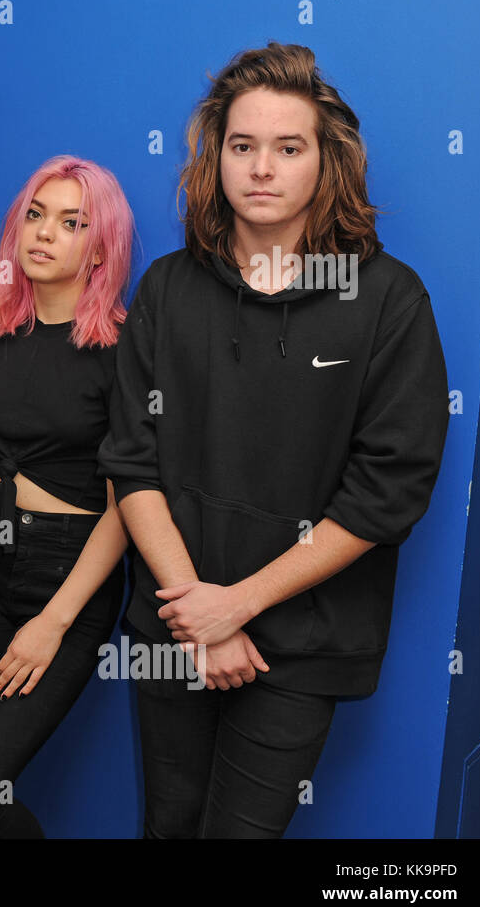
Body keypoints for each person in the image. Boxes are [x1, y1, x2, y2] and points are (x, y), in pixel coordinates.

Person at [97, 42, 449, 838]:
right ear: (215, 157)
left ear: (327, 163)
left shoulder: (387, 299)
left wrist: (241, 607)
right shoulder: (165, 288)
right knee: (167, 827)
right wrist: (198, 614)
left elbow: (388, 491)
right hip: (174, 627)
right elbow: (131, 459)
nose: (261, 167)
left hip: (300, 644)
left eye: (288, 148)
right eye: (242, 146)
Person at [0, 156, 134, 838]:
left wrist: (56, 622)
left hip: (68, 576)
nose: (44, 234)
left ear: (100, 246)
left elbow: (128, 504)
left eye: (71, 223)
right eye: (35, 216)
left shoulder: (125, 352)